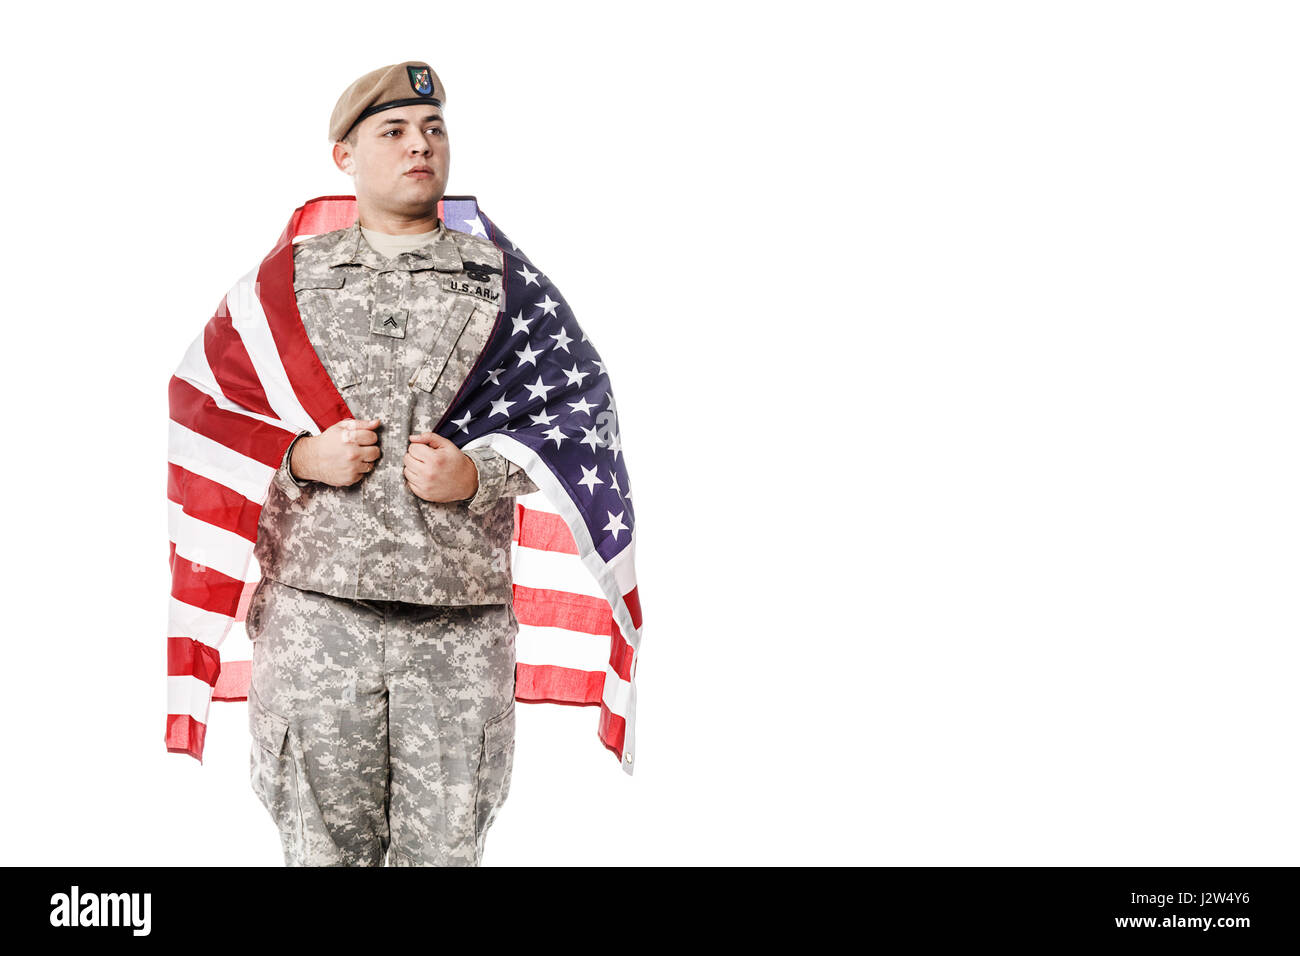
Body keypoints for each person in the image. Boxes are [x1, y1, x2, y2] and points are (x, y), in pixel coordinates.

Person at [244, 60, 537, 867]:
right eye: (395, 130)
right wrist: (298, 457)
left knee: (446, 856)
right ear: (344, 154)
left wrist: (479, 478)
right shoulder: (286, 282)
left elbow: (569, 426)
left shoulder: (504, 287)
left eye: (434, 129)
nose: (421, 146)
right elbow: (210, 409)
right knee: (320, 854)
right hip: (317, 616)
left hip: (457, 626)